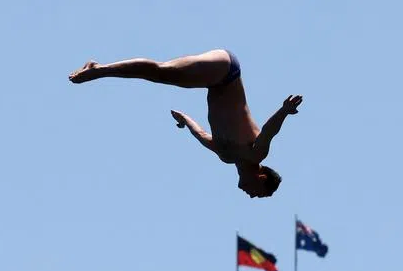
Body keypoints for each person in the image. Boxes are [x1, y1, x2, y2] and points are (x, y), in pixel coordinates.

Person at [69, 49, 301, 198]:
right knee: (163, 72)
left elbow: (200, 134)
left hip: (214, 82)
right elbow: (270, 131)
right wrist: (284, 111)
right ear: (262, 178)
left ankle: (100, 70)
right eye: (257, 194)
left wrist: (185, 119)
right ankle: (99, 70)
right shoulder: (256, 154)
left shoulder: (225, 155)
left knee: (164, 73)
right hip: (227, 71)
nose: (250, 196)